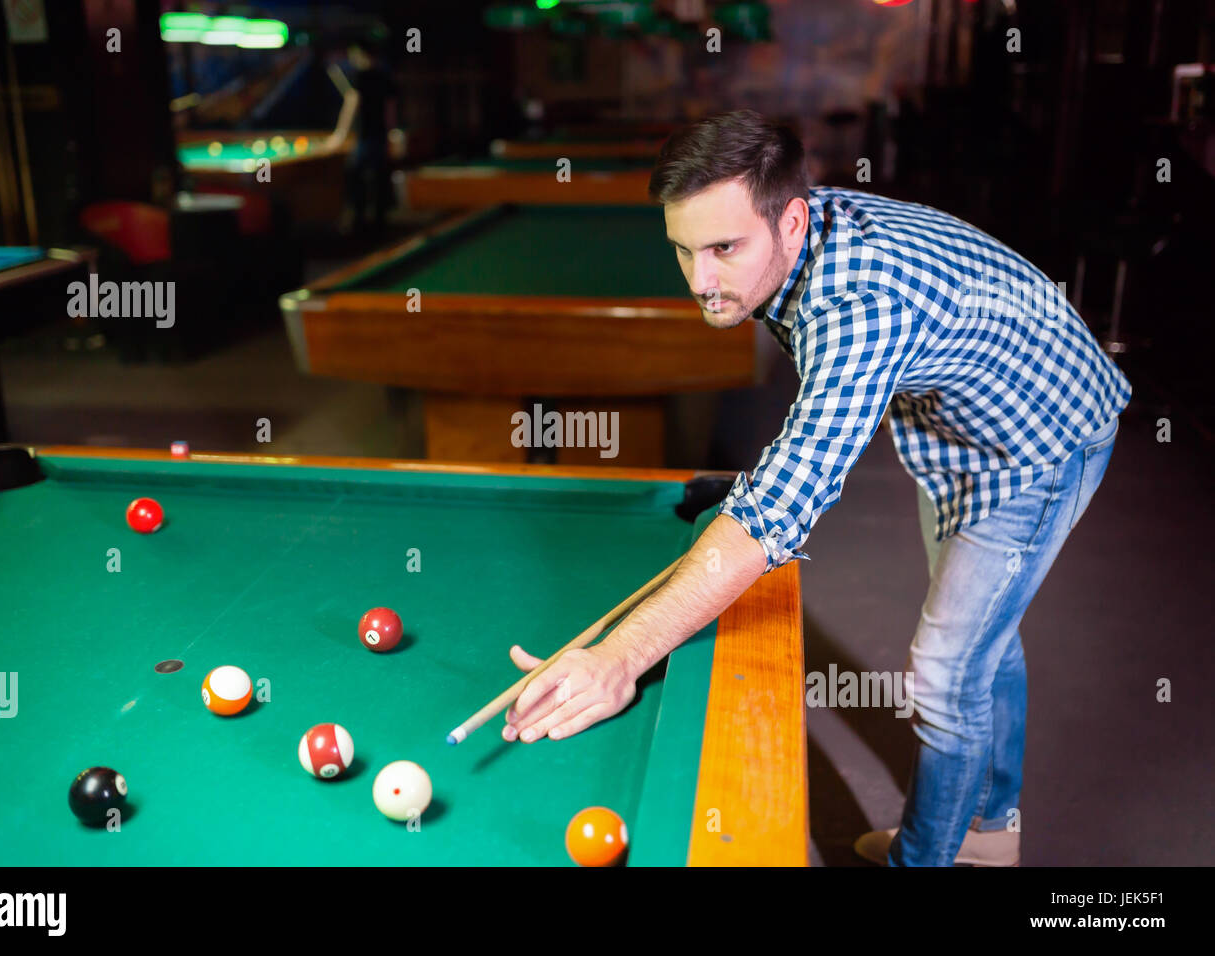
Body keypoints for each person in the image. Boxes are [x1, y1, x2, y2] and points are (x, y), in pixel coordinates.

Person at [499, 110, 1130, 867]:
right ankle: (991, 830)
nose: (701, 282)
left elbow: (777, 513)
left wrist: (619, 656)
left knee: (946, 666)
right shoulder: (795, 224)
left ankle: (931, 858)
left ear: (791, 222)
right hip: (958, 422)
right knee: (984, 640)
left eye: (725, 249)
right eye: (683, 249)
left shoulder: (857, 303)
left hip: (1042, 435)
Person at [326, 43, 396, 233]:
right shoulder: (384, 75)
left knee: (355, 174)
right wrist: (391, 135)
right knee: (379, 175)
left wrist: (340, 134)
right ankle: (380, 221)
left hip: (364, 136)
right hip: (380, 135)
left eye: (354, 55)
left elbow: (352, 103)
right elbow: (390, 109)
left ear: (362, 55)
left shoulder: (361, 76)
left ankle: (359, 220)